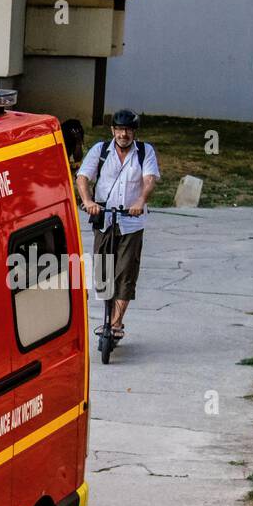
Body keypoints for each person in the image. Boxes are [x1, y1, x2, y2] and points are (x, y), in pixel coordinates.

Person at [76, 109, 160, 341]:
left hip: (131, 223)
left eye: (128, 130)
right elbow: (83, 177)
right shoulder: (100, 150)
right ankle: (106, 315)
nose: (124, 134)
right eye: (120, 129)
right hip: (104, 219)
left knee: (125, 272)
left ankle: (115, 323)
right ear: (113, 130)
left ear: (134, 132)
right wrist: (87, 201)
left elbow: (149, 179)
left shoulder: (145, 152)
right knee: (103, 273)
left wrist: (140, 201)